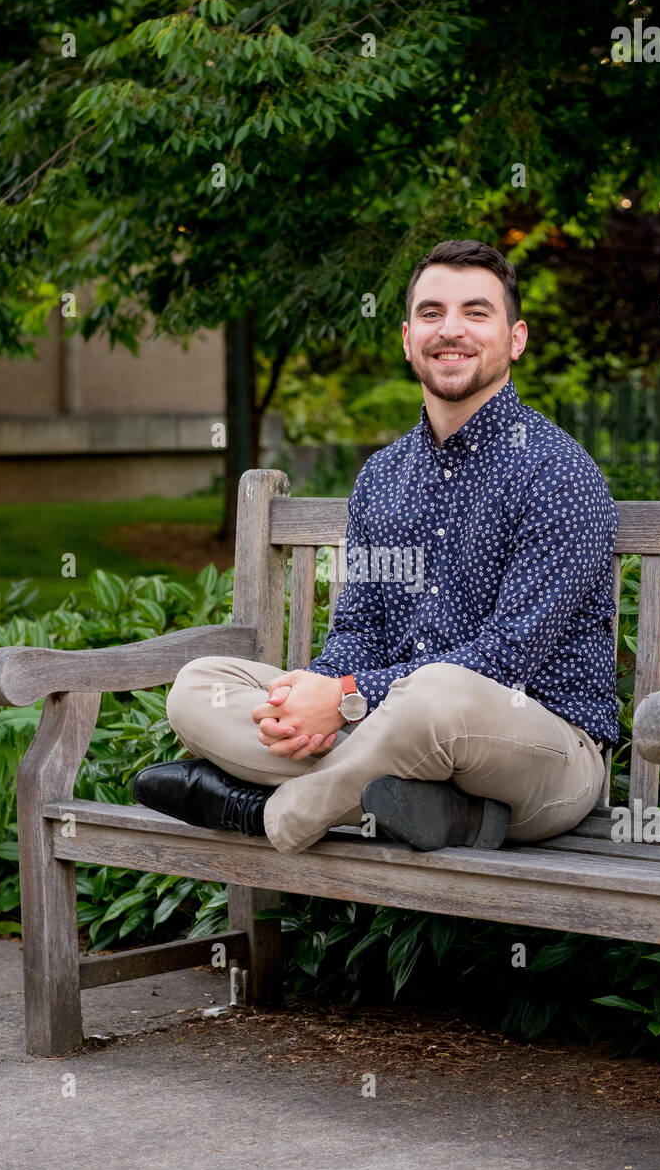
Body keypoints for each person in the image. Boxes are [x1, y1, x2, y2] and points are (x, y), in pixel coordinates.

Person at [133, 239, 619, 854]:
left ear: (515, 338)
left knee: (439, 692)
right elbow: (358, 629)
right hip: (387, 726)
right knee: (202, 685)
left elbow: (507, 658)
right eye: (431, 313)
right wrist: (314, 697)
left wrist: (344, 699)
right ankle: (428, 809)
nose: (452, 331)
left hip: (540, 749)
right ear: (407, 337)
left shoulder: (557, 473)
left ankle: (265, 814)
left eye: (476, 312)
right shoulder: (382, 478)